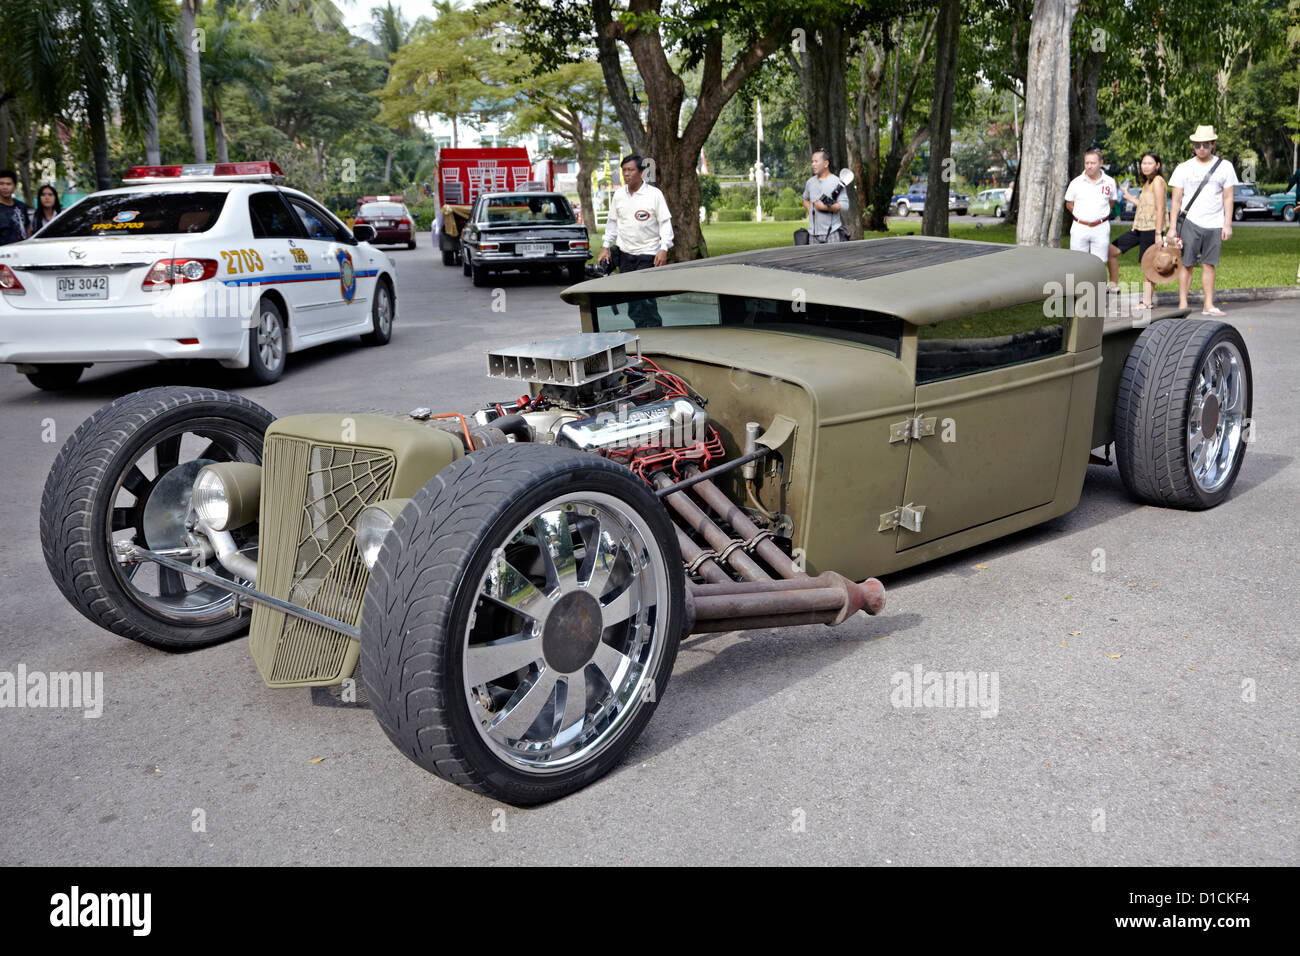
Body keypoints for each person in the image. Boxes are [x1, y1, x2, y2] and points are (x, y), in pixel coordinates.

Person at [1166, 125, 1238, 315]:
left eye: (1205, 144)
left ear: (1213, 144)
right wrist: (1172, 228)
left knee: (1209, 264)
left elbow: (1228, 197)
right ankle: (1183, 304)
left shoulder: (1225, 166)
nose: (1201, 148)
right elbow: (1176, 201)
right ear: (1193, 145)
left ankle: (1208, 304)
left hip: (1215, 222)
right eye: (1197, 145)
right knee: (1186, 264)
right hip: (1190, 221)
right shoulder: (1183, 168)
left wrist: (1227, 224)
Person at [597, 154, 674, 327]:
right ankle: (641, 334)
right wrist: (605, 247)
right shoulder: (618, 195)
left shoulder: (654, 194)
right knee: (633, 302)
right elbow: (612, 223)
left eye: (630, 170)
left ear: (642, 172)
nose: (626, 174)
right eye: (624, 170)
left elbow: (665, 223)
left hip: (648, 254)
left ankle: (656, 332)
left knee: (646, 300)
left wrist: (664, 248)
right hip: (625, 255)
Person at [1107, 152, 1167, 310]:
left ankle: (1147, 302)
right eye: (1143, 163)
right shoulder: (1147, 182)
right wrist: (1129, 197)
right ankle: (1114, 285)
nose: (1145, 166)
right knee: (1111, 250)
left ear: (1158, 165)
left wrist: (1158, 233)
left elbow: (1160, 208)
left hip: (1152, 229)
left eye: (1150, 163)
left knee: (1148, 265)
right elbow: (1145, 204)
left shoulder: (1158, 182)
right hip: (1139, 228)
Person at [1064, 148, 1118, 284]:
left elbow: (1111, 202)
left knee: (1099, 262)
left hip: (1100, 227)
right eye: (1087, 163)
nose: (1089, 166)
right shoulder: (1076, 183)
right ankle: (1079, 289)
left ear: (1101, 163)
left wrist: (1099, 216)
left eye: (1093, 163)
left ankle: (1097, 289)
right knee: (1077, 261)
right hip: (1079, 227)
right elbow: (1069, 203)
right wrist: (1081, 216)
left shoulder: (1109, 182)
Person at [802, 148, 847, 242]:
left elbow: (845, 206)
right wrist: (812, 211)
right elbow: (805, 199)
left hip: (832, 233)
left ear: (826, 164)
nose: (813, 165)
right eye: (812, 162)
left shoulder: (837, 182)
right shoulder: (810, 182)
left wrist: (825, 208)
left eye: (816, 162)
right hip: (813, 234)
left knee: (834, 257)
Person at [0, 169, 31, 246]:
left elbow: (27, 228)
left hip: (22, 250)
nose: (5, 187)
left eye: (8, 184)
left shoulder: (21, 206)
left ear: (14, 186)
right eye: (1, 184)